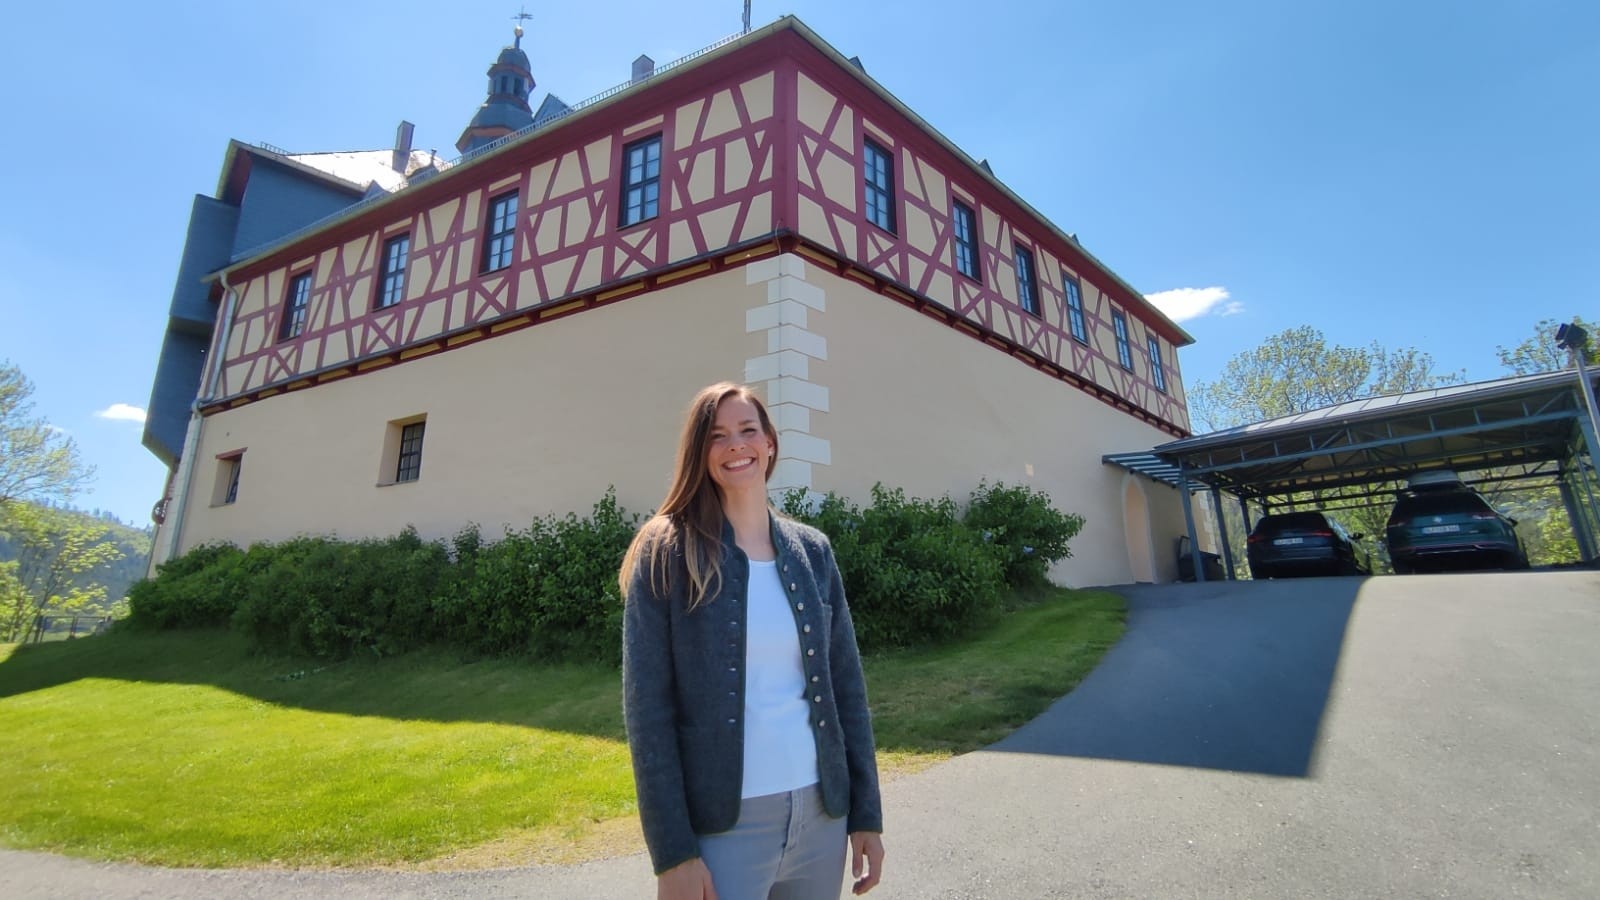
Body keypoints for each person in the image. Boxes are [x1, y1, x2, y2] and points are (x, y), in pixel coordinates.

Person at [620, 382, 886, 899]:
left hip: (822, 820)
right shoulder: (667, 552)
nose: (736, 445)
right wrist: (673, 853)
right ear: (699, 453)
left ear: (769, 442)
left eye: (747, 430)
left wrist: (866, 816)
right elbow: (648, 713)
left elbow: (847, 690)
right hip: (724, 830)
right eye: (717, 436)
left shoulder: (813, 552)